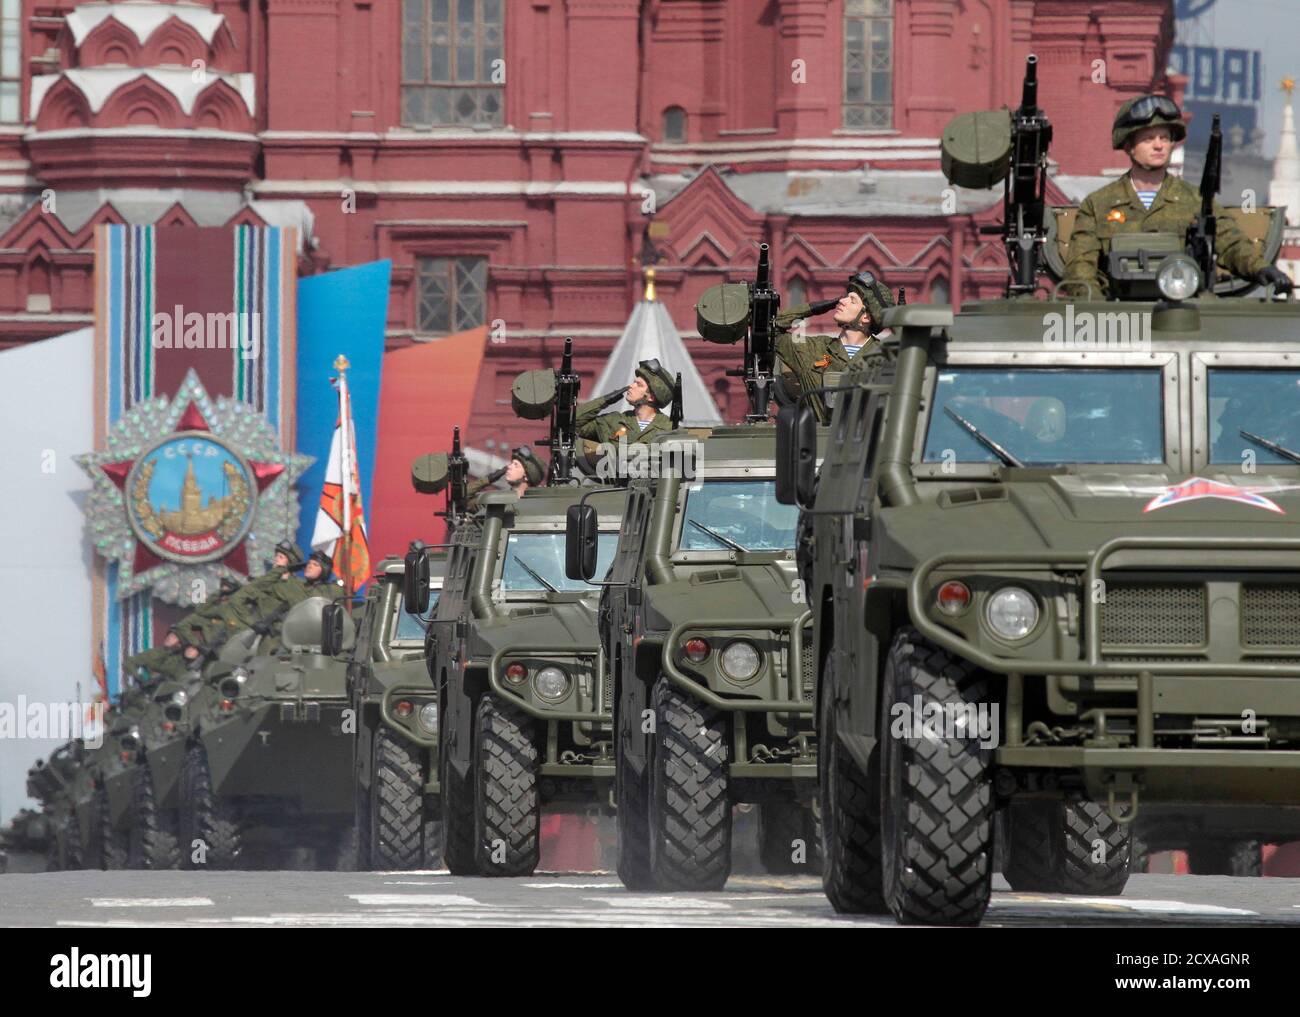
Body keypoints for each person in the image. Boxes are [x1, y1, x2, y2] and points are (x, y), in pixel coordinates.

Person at [1062, 94, 1293, 299]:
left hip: (1182, 311)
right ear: (1129, 145)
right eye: (1148, 138)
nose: (1158, 146)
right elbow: (1081, 267)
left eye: (1164, 138)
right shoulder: (1098, 204)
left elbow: (1230, 241)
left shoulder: (1195, 200)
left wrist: (1262, 268)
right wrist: (1100, 314)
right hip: (1118, 314)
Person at [774, 271, 895, 423]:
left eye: (852, 300)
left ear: (866, 317)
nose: (842, 301)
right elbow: (771, 330)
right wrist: (817, 307)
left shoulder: (885, 355)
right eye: (845, 297)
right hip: (818, 441)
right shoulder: (813, 349)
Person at [576, 359, 675, 445]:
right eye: (634, 382)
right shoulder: (612, 422)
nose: (631, 386)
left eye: (639, 385)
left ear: (651, 397)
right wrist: (605, 400)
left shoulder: (669, 429)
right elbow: (572, 424)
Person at [467, 446, 547, 511]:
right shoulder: (497, 500)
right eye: (511, 463)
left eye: (516, 465)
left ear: (526, 476)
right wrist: (490, 478)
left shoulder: (536, 504)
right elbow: (464, 497)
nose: (509, 467)